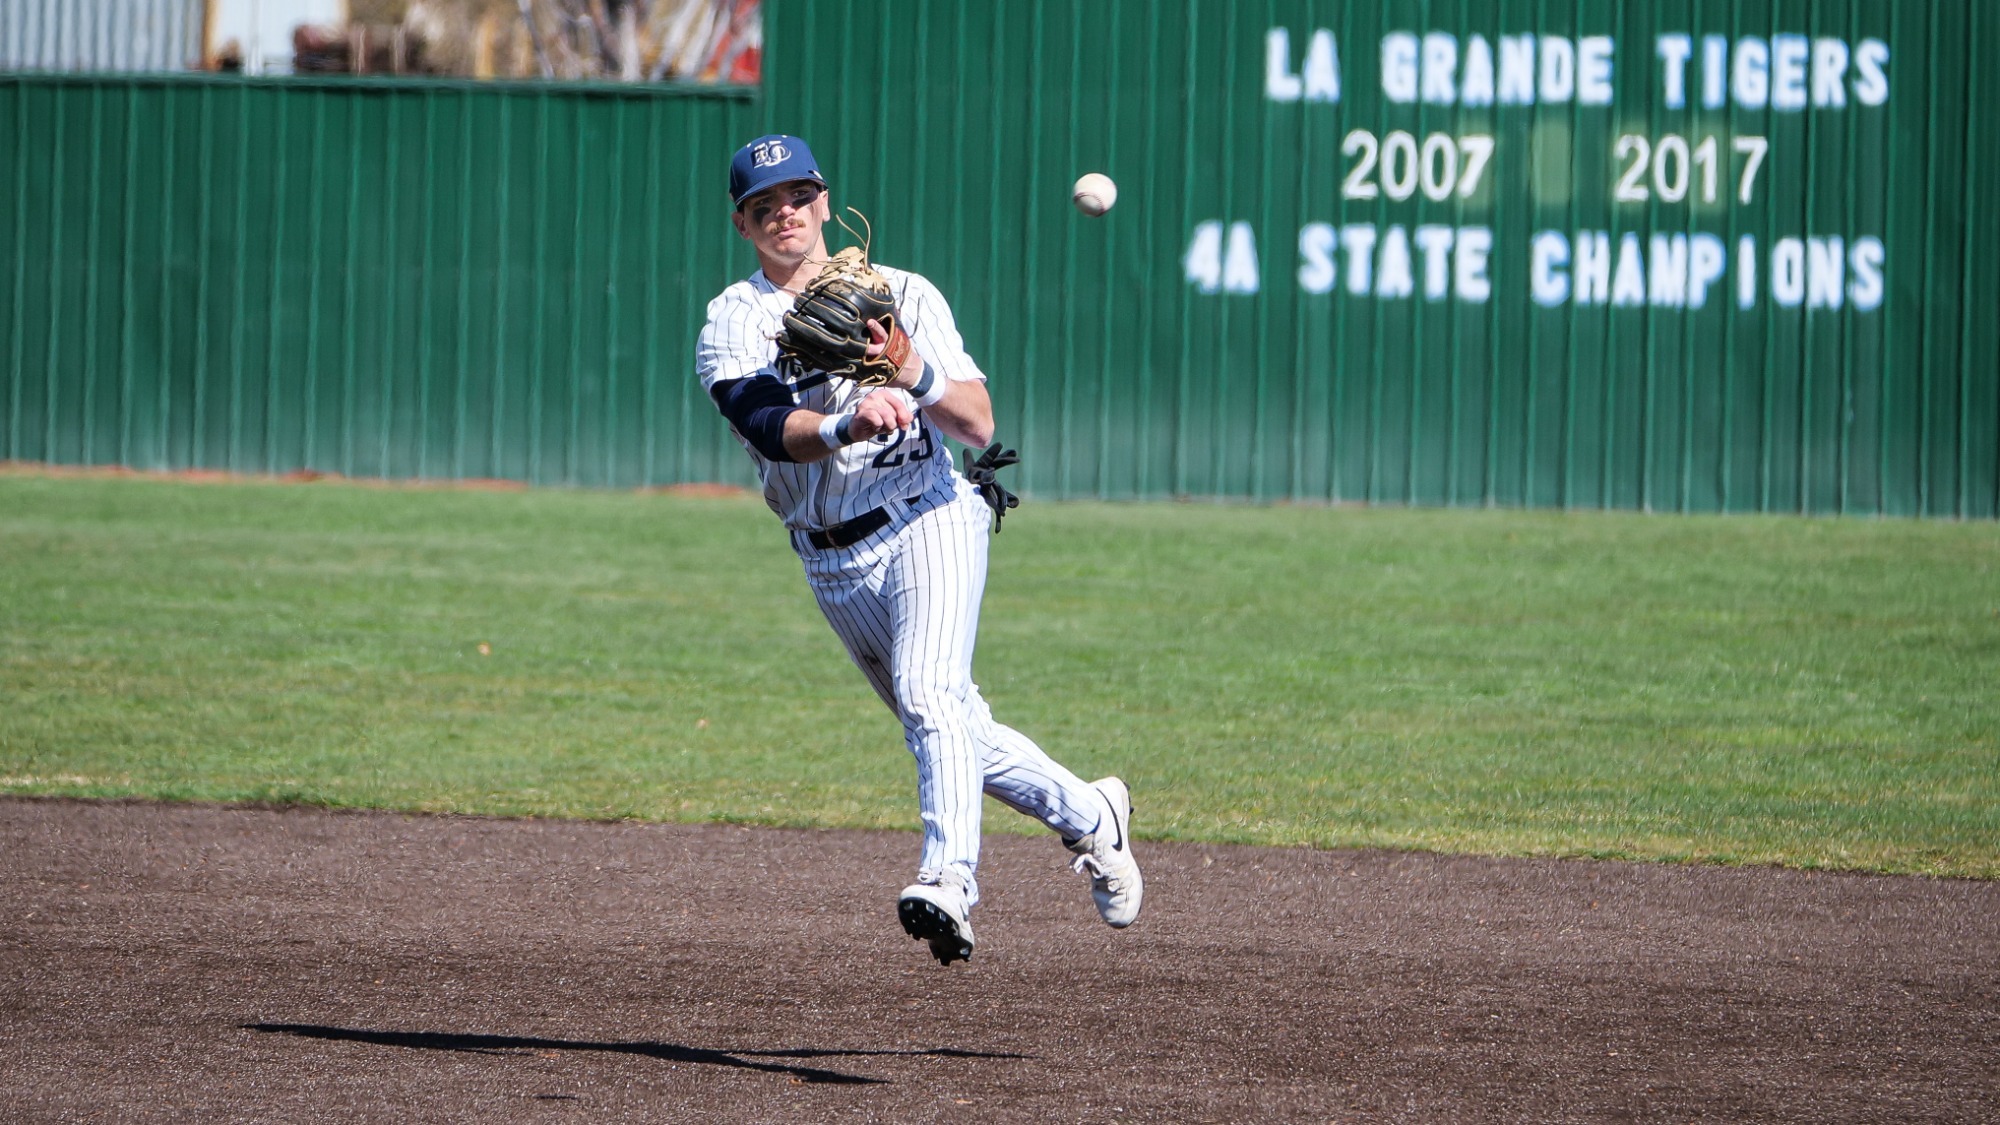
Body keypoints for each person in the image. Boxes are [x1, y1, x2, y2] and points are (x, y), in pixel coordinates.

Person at [694, 134, 1143, 965]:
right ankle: (1092, 815)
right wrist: (844, 422)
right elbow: (762, 420)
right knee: (957, 728)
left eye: (797, 195)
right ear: (742, 223)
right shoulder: (735, 319)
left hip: (928, 512)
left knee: (932, 695)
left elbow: (977, 422)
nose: (784, 213)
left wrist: (912, 370)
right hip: (831, 557)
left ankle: (949, 881)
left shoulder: (905, 292)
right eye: (764, 204)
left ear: (825, 201)